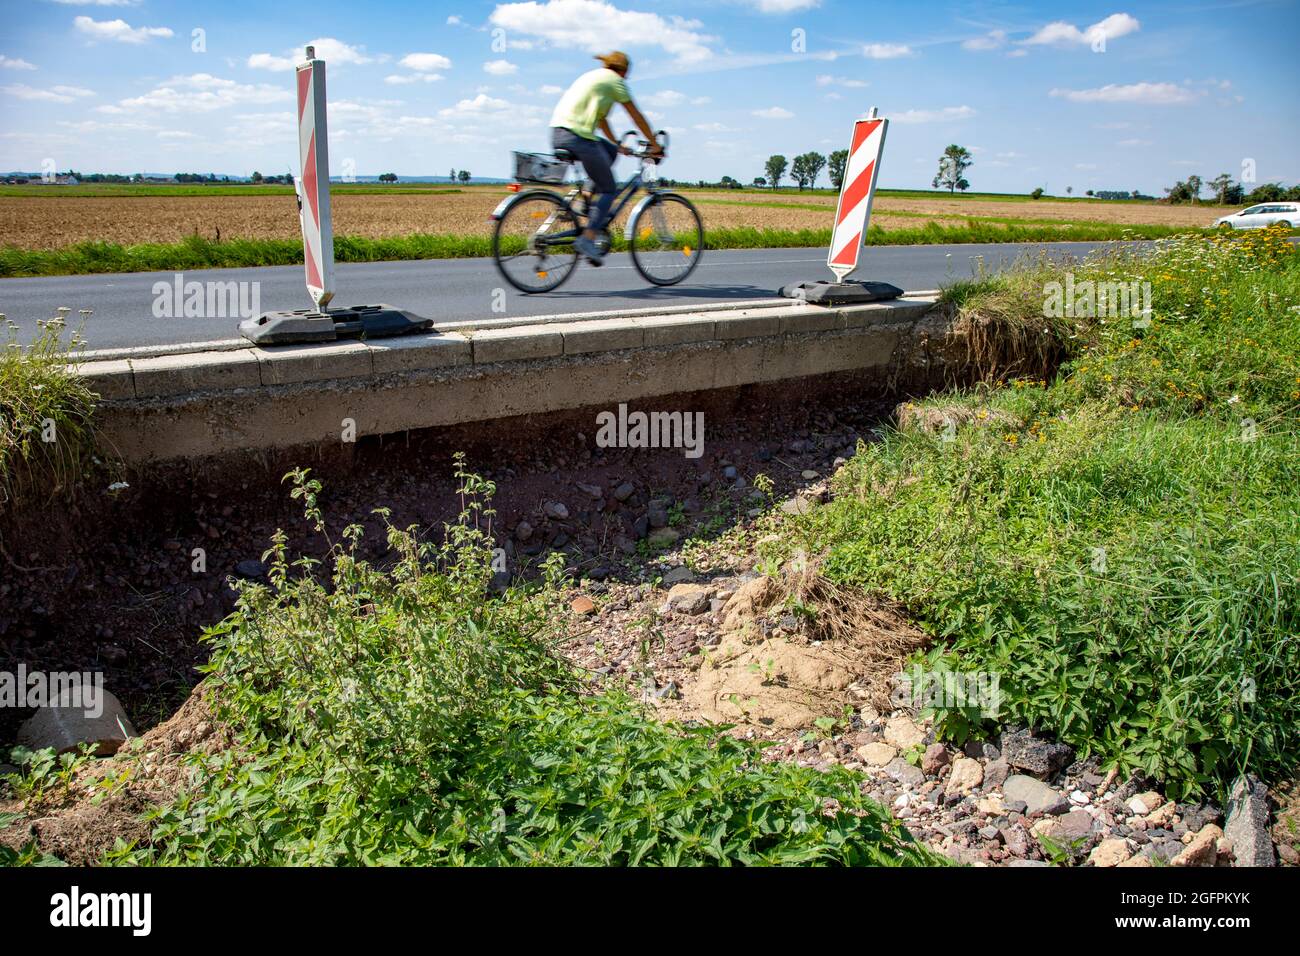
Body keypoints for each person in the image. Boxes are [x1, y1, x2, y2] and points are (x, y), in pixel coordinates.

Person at [549, 50, 662, 265]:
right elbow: (636, 116)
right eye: (626, 73)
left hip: (559, 133)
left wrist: (618, 146)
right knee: (610, 188)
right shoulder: (615, 81)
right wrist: (654, 143)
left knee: (608, 151)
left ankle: (588, 192)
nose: (626, 78)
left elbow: (601, 120)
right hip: (578, 138)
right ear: (624, 70)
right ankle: (588, 238)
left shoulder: (594, 77)